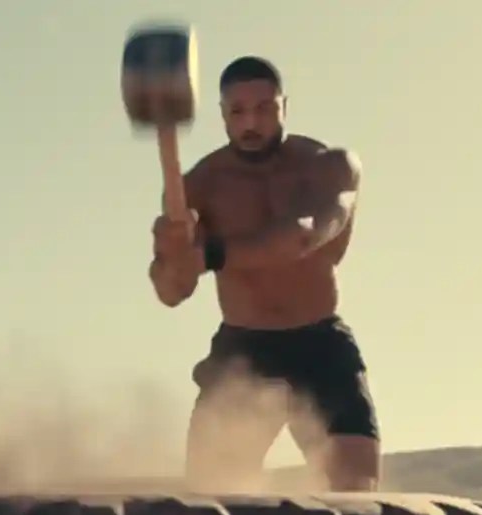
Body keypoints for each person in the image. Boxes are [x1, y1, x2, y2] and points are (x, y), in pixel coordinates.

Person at [147, 55, 381, 492]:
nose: (251, 122)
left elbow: (303, 237)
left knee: (355, 492)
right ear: (222, 115)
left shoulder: (328, 167)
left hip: (319, 345)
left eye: (265, 108)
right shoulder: (199, 186)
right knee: (209, 499)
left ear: (284, 106)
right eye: (238, 111)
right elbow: (172, 292)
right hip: (244, 349)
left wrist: (210, 253)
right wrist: (172, 254)